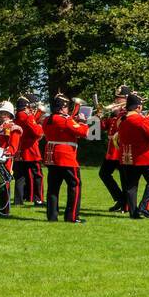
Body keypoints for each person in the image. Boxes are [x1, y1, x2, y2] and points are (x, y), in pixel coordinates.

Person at [42, 95, 89, 223]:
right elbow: (83, 132)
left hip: (51, 155)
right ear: (62, 108)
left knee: (53, 188)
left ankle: (52, 216)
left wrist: (73, 120)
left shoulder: (47, 120)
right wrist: (83, 122)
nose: (68, 109)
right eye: (67, 107)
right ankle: (72, 216)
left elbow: (66, 129)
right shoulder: (64, 120)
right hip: (66, 156)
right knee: (75, 185)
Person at [118, 93, 149, 219]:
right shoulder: (142, 120)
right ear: (138, 107)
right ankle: (144, 207)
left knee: (131, 185)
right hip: (144, 157)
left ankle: (133, 213)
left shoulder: (122, 120)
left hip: (127, 157)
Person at [98, 89, 128, 211]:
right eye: (116, 98)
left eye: (119, 98)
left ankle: (125, 204)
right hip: (112, 151)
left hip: (121, 150)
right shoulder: (114, 114)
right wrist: (99, 117)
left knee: (124, 178)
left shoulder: (126, 113)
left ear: (126, 99)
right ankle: (120, 199)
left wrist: (117, 112)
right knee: (104, 174)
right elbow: (104, 127)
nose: (116, 100)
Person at [14, 97, 45, 205]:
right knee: (37, 175)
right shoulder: (27, 116)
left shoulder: (16, 116)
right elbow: (37, 132)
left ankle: (18, 200)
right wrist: (40, 125)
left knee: (20, 177)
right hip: (30, 150)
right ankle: (38, 199)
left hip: (19, 150)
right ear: (26, 107)